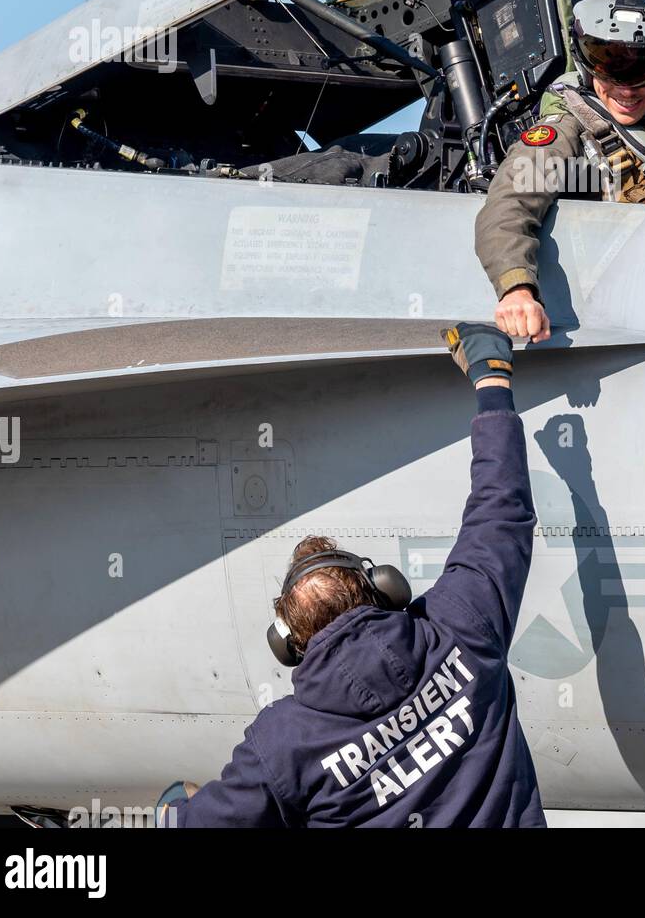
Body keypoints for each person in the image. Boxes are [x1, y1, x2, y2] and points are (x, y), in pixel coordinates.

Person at [161, 323, 545, 828]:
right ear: (383, 590)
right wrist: (491, 378)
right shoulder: (464, 625)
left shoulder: (283, 748)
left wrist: (171, 812)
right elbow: (500, 507)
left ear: (289, 643)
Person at [475, 0, 645, 343]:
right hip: (626, 318)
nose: (625, 87)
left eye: (643, 66)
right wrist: (517, 290)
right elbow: (509, 204)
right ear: (585, 61)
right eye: (607, 61)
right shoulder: (566, 129)